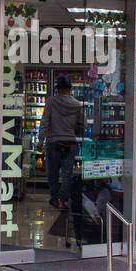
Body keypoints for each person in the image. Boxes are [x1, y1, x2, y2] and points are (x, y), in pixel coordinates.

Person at [41, 75, 84, 210]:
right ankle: (62, 199)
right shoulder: (77, 104)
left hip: (53, 142)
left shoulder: (51, 102)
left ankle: (55, 198)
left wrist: (41, 138)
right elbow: (82, 124)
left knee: (52, 173)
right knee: (67, 174)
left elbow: (45, 122)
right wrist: (73, 132)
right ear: (70, 89)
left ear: (57, 89)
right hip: (69, 142)